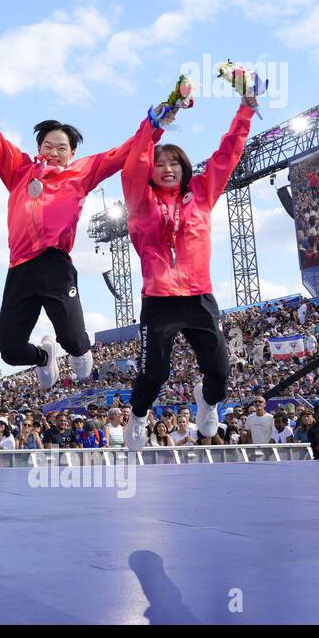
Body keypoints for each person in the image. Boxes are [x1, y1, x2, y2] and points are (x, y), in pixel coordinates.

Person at [0, 89, 146, 388]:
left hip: (55, 264)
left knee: (74, 342)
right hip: (19, 267)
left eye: (62, 148)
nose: (54, 152)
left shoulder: (81, 173)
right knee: (9, 351)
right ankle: (43, 357)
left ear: (72, 153)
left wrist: (156, 123)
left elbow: (124, 153)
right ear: (38, 147)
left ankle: (77, 349)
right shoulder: (19, 170)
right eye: (47, 146)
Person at [122, 90, 259, 450]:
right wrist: (154, 123)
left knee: (219, 371)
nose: (167, 169)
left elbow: (228, 154)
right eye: (160, 164)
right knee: (155, 373)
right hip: (159, 300)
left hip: (199, 296)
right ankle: (138, 416)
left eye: (175, 164)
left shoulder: (201, 193)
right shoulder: (140, 200)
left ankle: (207, 401)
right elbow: (134, 160)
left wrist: (245, 111)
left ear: (184, 168)